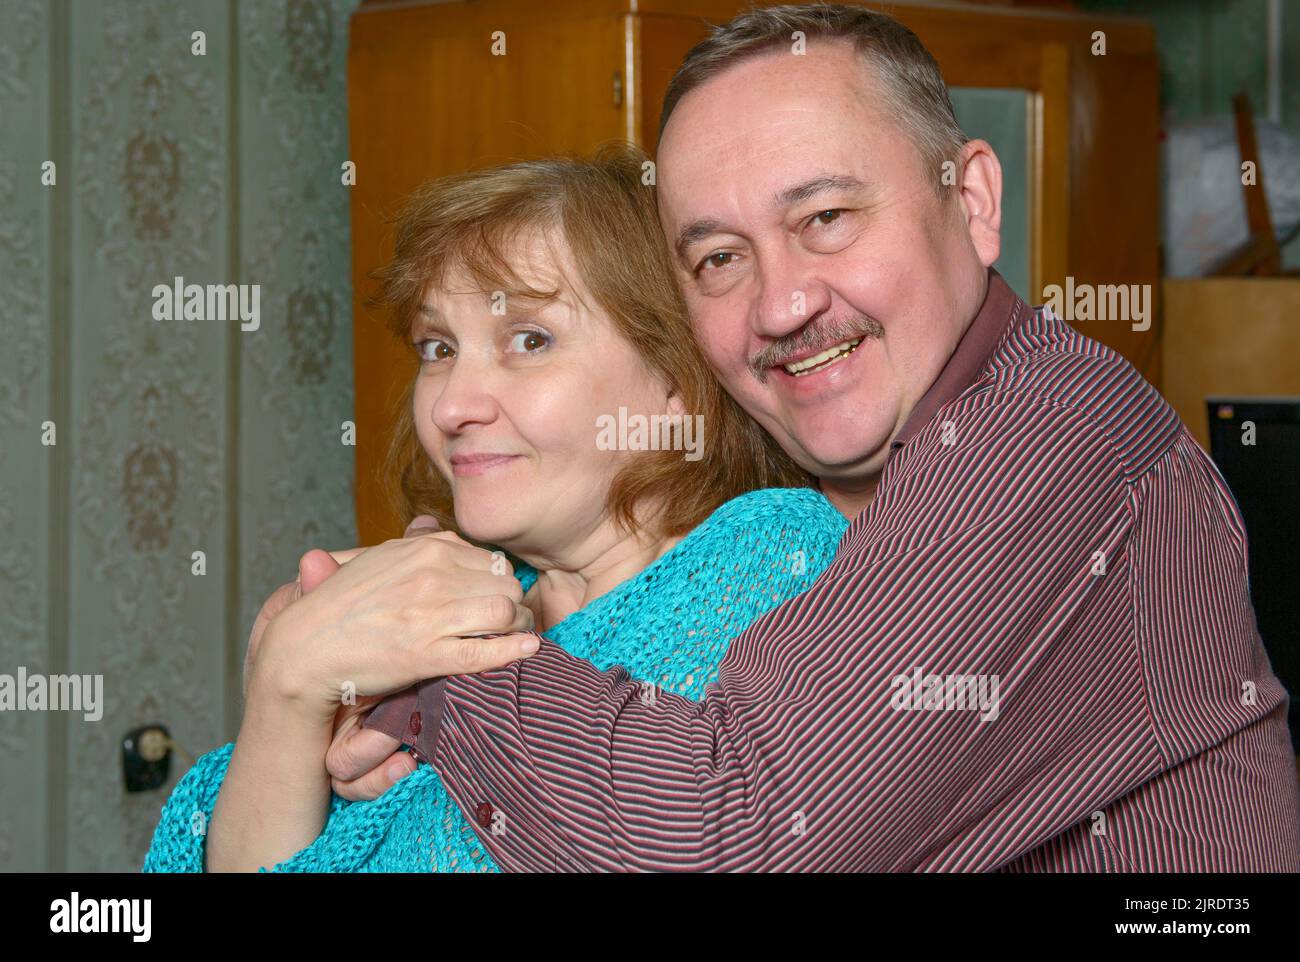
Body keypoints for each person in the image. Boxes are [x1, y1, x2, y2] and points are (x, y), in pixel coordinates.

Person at [325, 4, 1300, 870]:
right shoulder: (805, 481)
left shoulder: (1044, 443)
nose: (782, 303)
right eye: (718, 257)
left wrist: (449, 648)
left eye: (826, 217)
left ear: (972, 202)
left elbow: (730, 832)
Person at [142, 144, 848, 872]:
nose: (450, 405)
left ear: (675, 377)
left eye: (529, 340)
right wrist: (287, 702)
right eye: (438, 346)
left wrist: (374, 676)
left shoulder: (772, 564)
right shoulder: (432, 603)